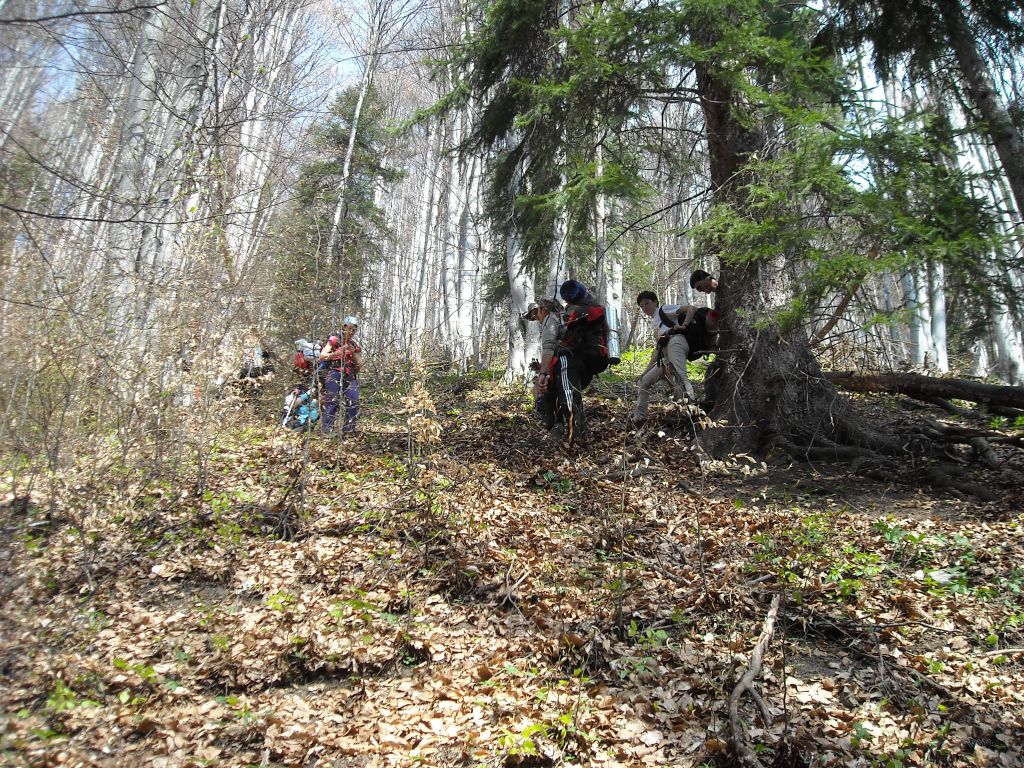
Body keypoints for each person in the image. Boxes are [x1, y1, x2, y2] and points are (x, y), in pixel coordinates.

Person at [631, 291, 716, 425]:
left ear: (655, 302)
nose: (645, 308)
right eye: (641, 306)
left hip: (676, 342)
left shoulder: (663, 309)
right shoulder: (654, 322)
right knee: (644, 382)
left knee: (680, 376)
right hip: (664, 353)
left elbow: (691, 308)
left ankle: (689, 412)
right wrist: (645, 372)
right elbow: (657, 350)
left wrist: (684, 326)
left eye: (647, 303)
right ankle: (639, 417)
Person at [543, 280, 610, 442]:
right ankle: (562, 430)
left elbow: (549, 347)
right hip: (592, 363)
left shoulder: (558, 318)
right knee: (559, 393)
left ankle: (575, 437)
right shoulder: (592, 308)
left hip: (570, 360)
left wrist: (543, 373)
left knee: (567, 395)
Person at [523, 298, 565, 434]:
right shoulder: (559, 319)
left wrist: (542, 373)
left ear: (542, 309)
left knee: (539, 389)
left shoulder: (549, 320)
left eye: (535, 313)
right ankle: (555, 423)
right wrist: (540, 367)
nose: (535, 317)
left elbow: (550, 349)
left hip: (561, 366)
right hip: (561, 364)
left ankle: (554, 424)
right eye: (532, 316)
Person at [319, 317, 363, 433]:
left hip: (350, 376)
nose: (352, 332)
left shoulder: (354, 345)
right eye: (350, 329)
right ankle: (326, 431)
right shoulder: (334, 340)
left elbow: (359, 366)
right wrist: (337, 353)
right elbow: (322, 356)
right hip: (334, 373)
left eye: (354, 330)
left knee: (353, 401)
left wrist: (352, 353)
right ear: (343, 327)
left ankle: (348, 432)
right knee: (332, 402)